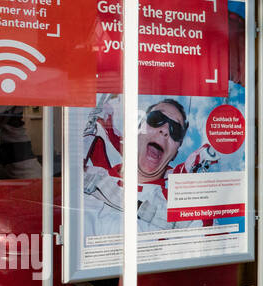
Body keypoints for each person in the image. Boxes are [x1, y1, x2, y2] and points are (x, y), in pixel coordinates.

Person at [82, 97, 220, 240]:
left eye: (176, 130)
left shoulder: (179, 209)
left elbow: (213, 242)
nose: (165, 130)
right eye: (156, 119)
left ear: (175, 154)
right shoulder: (88, 175)